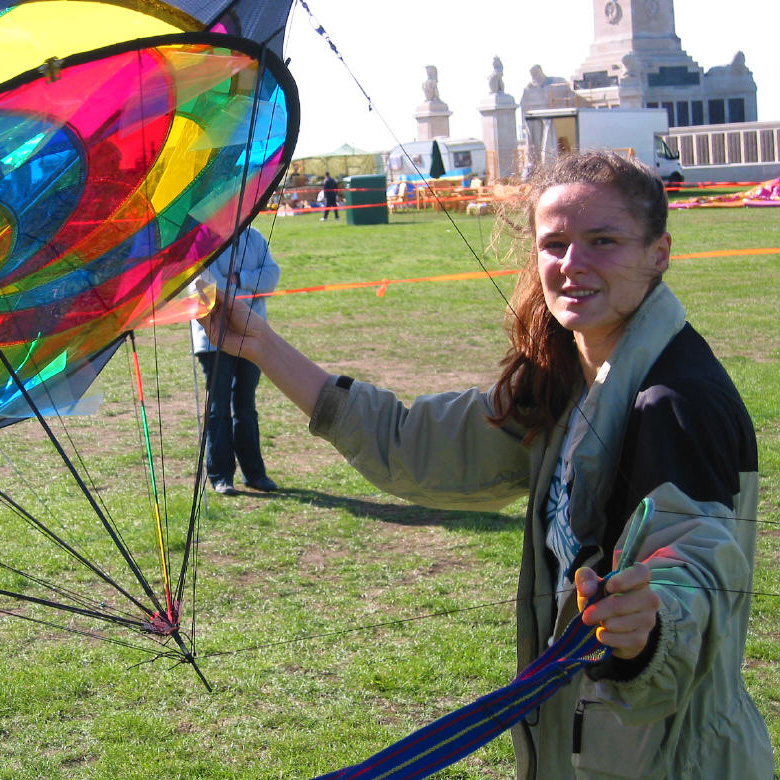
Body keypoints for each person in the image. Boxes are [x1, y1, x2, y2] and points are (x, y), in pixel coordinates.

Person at [199, 152, 773, 777]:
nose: (572, 265)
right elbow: (414, 446)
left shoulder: (675, 401)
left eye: (602, 241)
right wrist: (259, 343)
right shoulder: (567, 382)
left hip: (670, 760)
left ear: (658, 252)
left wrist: (651, 628)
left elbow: (698, 568)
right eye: (554, 244)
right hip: (579, 748)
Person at [190, 227, 280, 496]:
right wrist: (249, 288)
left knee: (246, 405)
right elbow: (206, 287)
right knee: (218, 407)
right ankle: (220, 476)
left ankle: (255, 473)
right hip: (214, 338)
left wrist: (241, 278)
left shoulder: (255, 238)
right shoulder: (204, 239)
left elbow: (272, 276)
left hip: (252, 334)